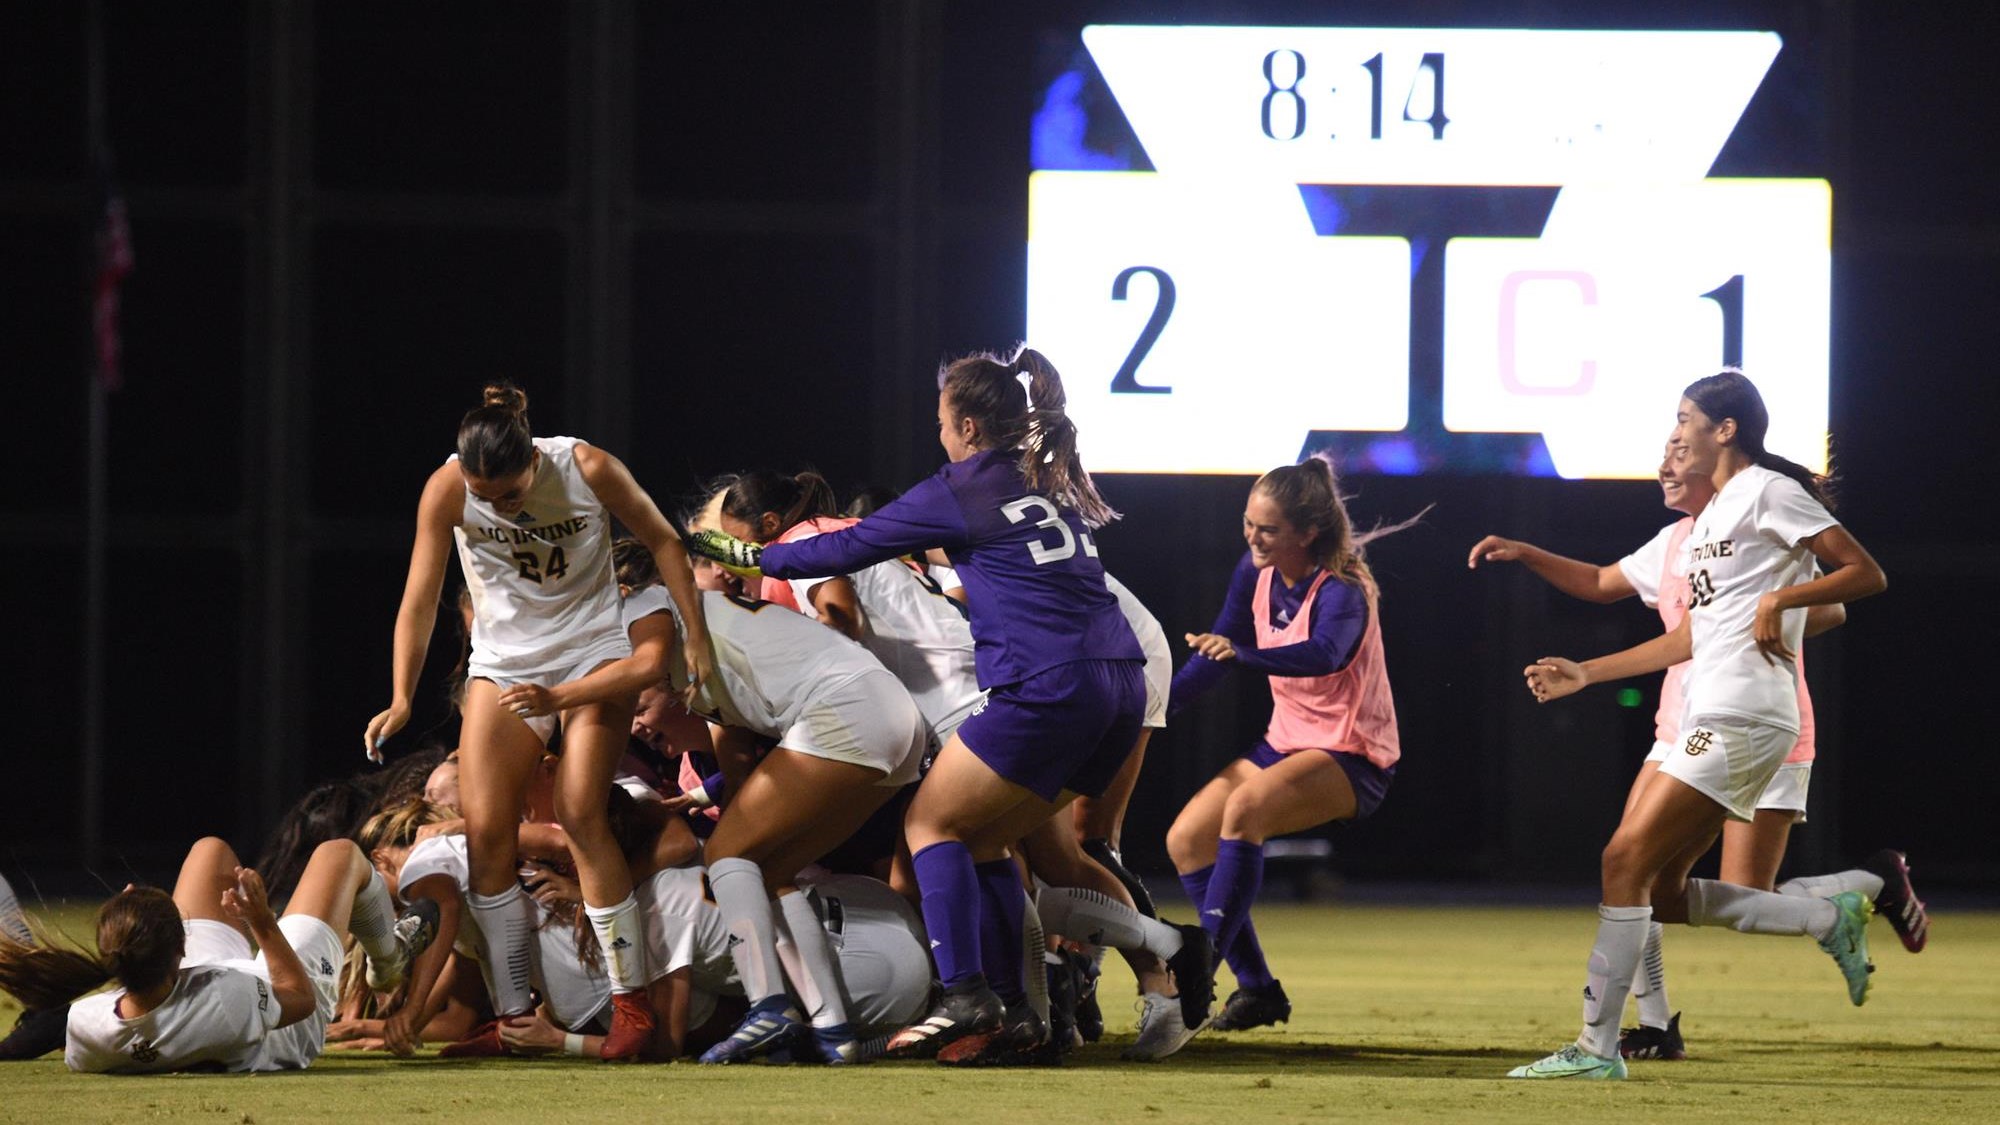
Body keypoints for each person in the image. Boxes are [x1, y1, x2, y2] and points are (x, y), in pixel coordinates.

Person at [687, 345, 1147, 1064]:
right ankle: (1031, 1007)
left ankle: (968, 993)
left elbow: (845, 549)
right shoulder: (1046, 477)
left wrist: (744, 556)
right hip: (1120, 682)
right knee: (997, 844)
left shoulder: (959, 487)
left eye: (940, 420)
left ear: (967, 426)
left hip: (1044, 683)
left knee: (931, 824)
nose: (938, 433)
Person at [1468, 446, 1927, 1060]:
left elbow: (1834, 603)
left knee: (1732, 887)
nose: (1665, 464)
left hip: (1753, 720)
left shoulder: (1755, 524)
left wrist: (1771, 614)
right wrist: (1530, 557)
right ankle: (1655, 1024)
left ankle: (1858, 891)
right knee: (1641, 873)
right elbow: (1607, 586)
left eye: (1680, 448)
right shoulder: (1680, 540)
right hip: (1683, 724)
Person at [360, 382, 714, 1060]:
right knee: (487, 833)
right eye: (485, 497)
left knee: (580, 810)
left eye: (511, 495)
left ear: (532, 461)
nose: (499, 508)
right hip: (505, 662)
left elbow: (666, 542)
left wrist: (694, 635)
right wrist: (402, 696)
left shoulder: (586, 467)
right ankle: (514, 1016)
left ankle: (631, 1006)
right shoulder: (445, 489)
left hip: (591, 649)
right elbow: (421, 598)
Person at [521, 542, 927, 1065]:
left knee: (725, 854)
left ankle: (770, 1007)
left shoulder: (645, 603)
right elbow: (735, 761)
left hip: (846, 707)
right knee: (769, 869)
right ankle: (833, 1028)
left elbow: (646, 662)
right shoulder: (697, 648)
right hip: (893, 724)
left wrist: (557, 696)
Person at [1165, 455, 1407, 1038]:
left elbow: (1325, 654)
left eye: (1268, 529)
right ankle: (1258, 990)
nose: (1252, 537)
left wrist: (1241, 654)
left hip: (1353, 753)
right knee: (1187, 840)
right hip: (1287, 743)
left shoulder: (1343, 588)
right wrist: (1154, 710)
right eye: (1248, 523)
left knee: (1244, 810)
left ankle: (1195, 982)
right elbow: (1217, 654)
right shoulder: (1254, 571)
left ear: (1308, 532)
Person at [0, 837, 433, 1073]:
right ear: (181, 947)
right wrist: (262, 922)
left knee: (209, 850)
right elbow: (297, 997)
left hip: (187, 990)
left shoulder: (91, 1024)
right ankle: (389, 960)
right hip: (286, 1011)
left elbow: (46, 1031)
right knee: (338, 854)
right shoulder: (229, 999)